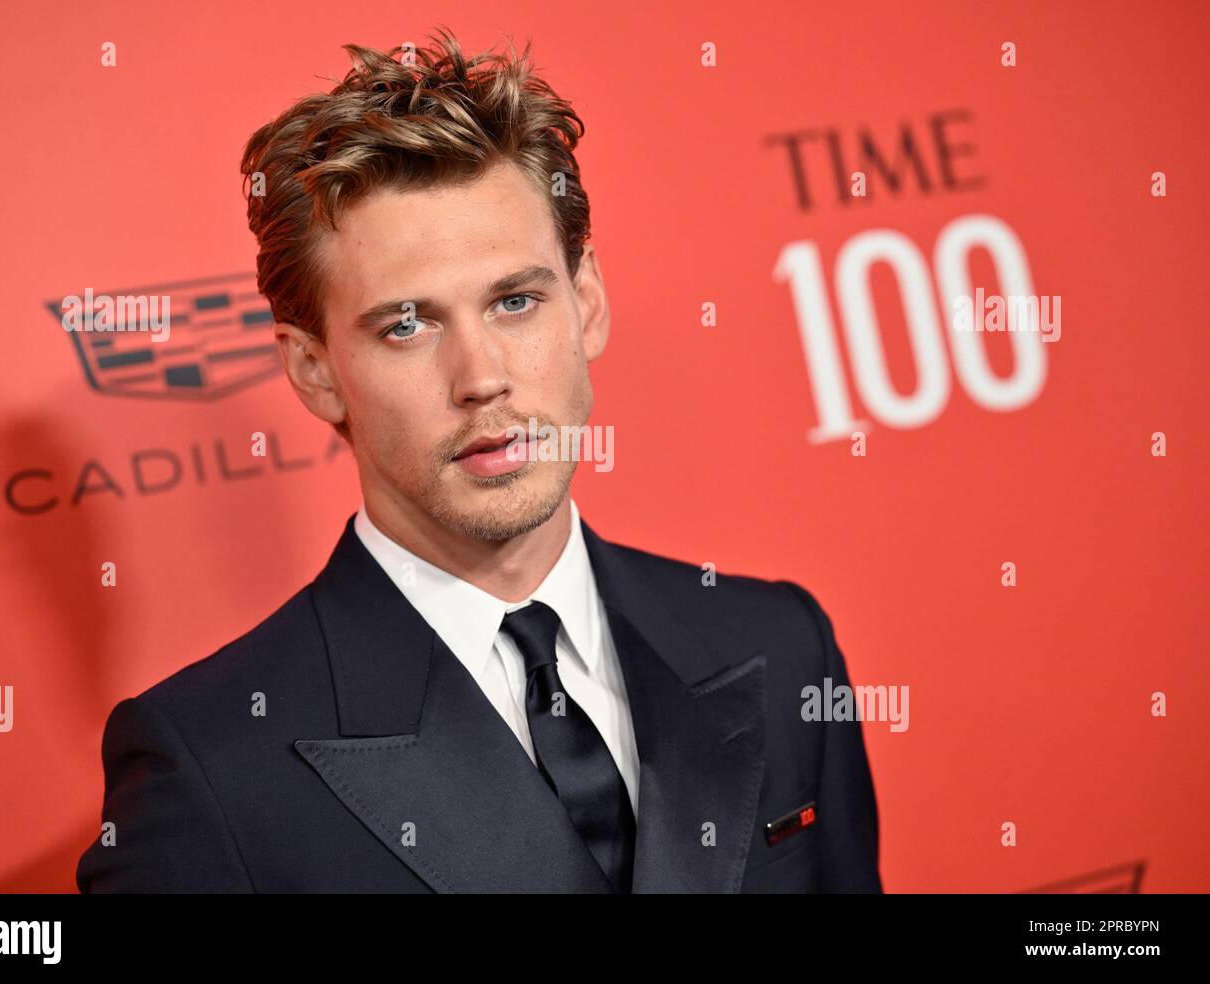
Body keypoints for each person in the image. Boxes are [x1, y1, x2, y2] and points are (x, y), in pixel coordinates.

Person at [76, 26, 883, 893]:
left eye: (515, 301)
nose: (482, 380)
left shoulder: (778, 644)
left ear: (588, 304)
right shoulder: (209, 767)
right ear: (315, 373)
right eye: (406, 326)